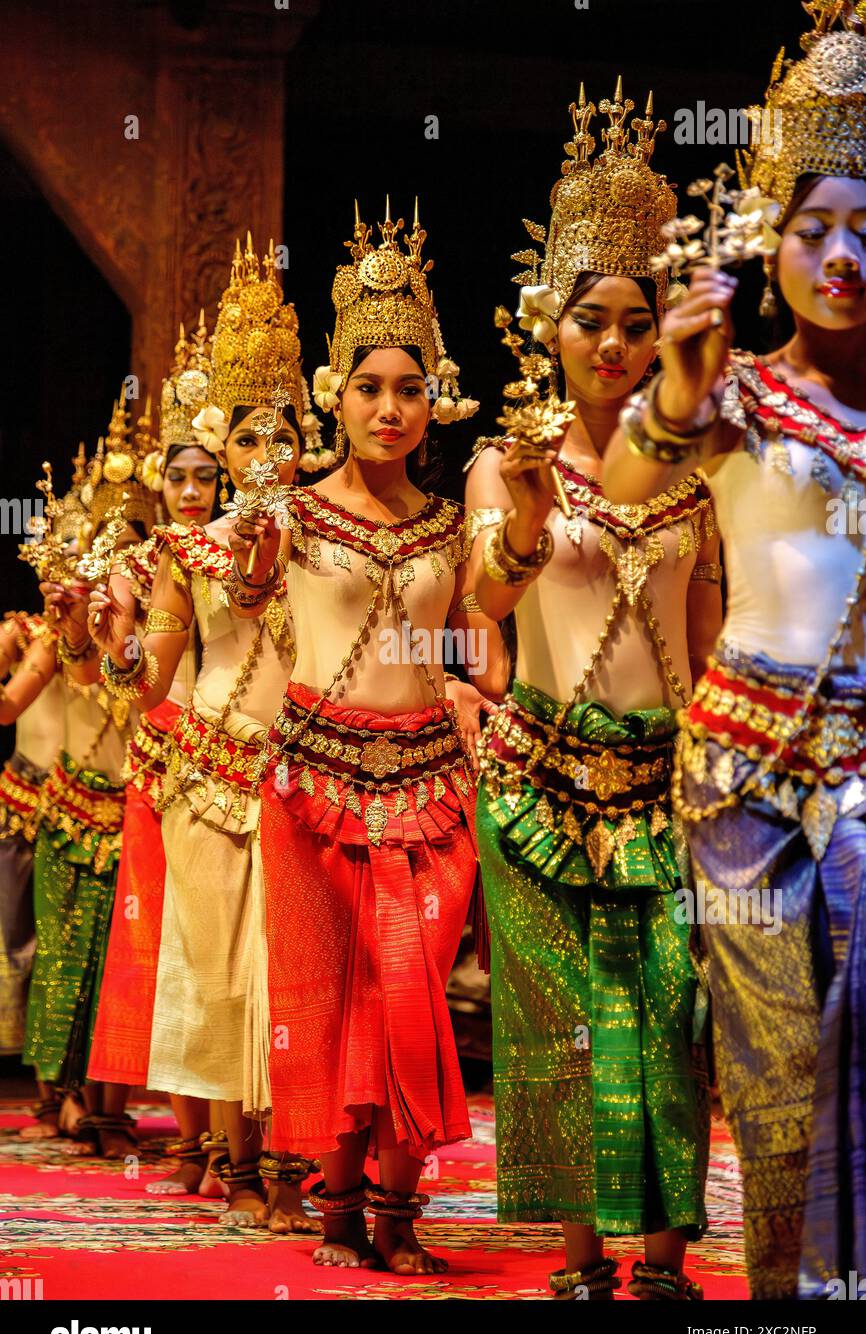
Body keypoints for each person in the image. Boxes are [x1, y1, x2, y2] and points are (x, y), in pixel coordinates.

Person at [602, 5, 866, 1298]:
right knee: (772, 1066)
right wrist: (666, 387)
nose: (843, 255)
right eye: (815, 227)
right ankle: (783, 1302)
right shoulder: (736, 395)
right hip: (743, 782)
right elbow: (625, 470)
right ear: (775, 244)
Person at [467, 81, 721, 1301]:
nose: (612, 344)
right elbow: (479, 606)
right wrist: (518, 527)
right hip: (533, 778)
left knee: (668, 1027)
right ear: (548, 332)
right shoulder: (506, 460)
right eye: (589, 323)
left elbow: (715, 633)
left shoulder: (707, 464)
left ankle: (665, 1259)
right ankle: (577, 1260)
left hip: (669, 781)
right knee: (564, 1033)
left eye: (634, 321)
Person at [230, 202, 507, 1272]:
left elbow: (465, 650)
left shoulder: (451, 529)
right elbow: (255, 599)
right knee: (330, 998)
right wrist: (253, 551)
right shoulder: (292, 514)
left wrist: (479, 698)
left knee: (408, 996)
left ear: (432, 398)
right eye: (367, 387)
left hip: (431, 785)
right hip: (313, 783)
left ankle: (400, 1214)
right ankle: (338, 1206)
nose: (388, 408)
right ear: (329, 396)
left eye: (409, 387)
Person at [88, 235, 325, 1230]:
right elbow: (154, 680)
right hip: (209, 774)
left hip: (310, 769)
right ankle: (235, 1160)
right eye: (246, 440)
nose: (264, 456)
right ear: (220, 451)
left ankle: (296, 1165)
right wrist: (113, 649)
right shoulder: (186, 548)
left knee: (289, 971)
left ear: (305, 441)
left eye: (281, 436)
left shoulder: (336, 532)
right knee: (220, 976)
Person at [86, 315, 223, 1174]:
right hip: (162, 756)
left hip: (231, 751)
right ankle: (192, 1139)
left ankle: (241, 1143)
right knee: (165, 943)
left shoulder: (244, 555)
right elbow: (111, 675)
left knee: (223, 948)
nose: (191, 490)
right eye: (177, 477)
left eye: (207, 476)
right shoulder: (140, 567)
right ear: (158, 484)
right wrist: (100, 638)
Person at [21, 400, 161, 1150]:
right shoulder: (63, 630)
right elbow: (21, 699)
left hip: (134, 810)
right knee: (66, 957)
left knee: (120, 968)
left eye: (130, 552)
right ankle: (63, 1097)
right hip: (72, 814)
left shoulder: (158, 633)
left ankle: (105, 1103)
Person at [0, 609, 64, 1062]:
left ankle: (75, 1091)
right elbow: (8, 710)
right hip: (24, 801)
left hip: (92, 804)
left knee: (70, 948)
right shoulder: (25, 632)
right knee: (20, 941)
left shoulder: (118, 626)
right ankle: (45, 1090)